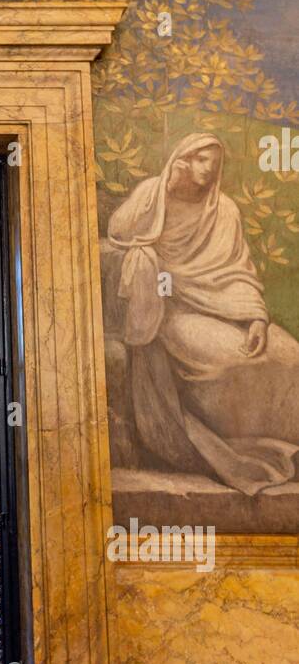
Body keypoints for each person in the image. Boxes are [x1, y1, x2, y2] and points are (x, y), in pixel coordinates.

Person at [107, 132, 299, 495]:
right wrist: (163, 191)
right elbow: (119, 231)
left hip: (227, 307)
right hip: (175, 310)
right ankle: (236, 443)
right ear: (182, 158)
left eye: (213, 161)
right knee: (229, 362)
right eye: (199, 158)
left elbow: (237, 271)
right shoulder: (153, 192)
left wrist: (256, 318)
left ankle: (291, 446)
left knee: (289, 354)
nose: (208, 168)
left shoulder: (223, 210)